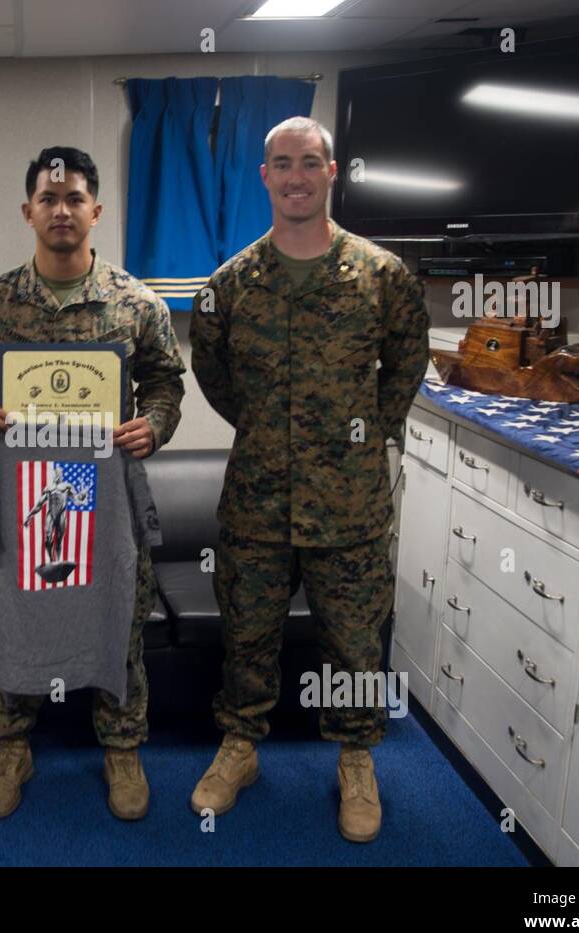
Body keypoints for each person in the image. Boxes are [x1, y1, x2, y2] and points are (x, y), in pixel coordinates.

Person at [188, 117, 430, 841]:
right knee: (248, 637)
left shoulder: (384, 276)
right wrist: (270, 432)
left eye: (310, 162)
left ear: (332, 172)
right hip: (258, 501)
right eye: (282, 162)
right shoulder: (229, 284)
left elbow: (406, 367)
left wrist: (361, 436)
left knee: (355, 644)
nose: (296, 175)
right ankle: (240, 747)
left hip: (350, 506)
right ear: (264, 175)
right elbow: (214, 376)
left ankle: (356, 757)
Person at [0, 146, 185, 820]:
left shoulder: (135, 303)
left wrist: (155, 424)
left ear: (95, 210)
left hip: (104, 498)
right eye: (48, 200)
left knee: (118, 609)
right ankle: (12, 744)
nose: (61, 210)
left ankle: (121, 746)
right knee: (13, 613)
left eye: (74, 198)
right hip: (21, 497)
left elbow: (166, 381)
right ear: (28, 212)